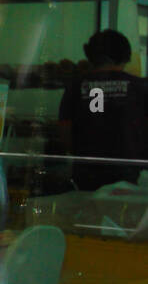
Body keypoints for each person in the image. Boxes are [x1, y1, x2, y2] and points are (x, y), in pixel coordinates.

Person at [57, 29, 148, 190]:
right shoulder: (140, 87)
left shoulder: (76, 87)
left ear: (90, 55)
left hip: (87, 174)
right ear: (125, 55)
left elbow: (65, 135)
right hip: (134, 175)